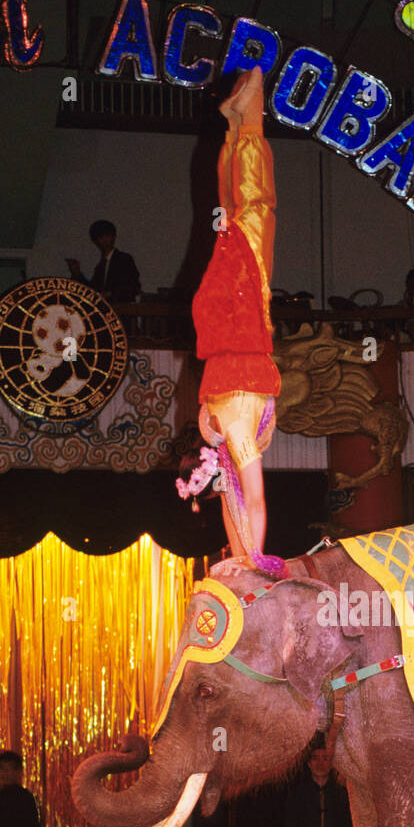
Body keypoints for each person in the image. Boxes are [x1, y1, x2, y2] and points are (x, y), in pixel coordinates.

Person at [176, 66, 286, 578]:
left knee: (255, 208)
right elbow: (234, 500)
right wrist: (237, 558)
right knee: (234, 210)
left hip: (241, 321)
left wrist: (254, 565)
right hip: (222, 323)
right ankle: (237, 125)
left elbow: (255, 499)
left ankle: (249, 116)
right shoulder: (210, 422)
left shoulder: (233, 431)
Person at [66, 220, 141, 302]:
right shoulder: (100, 267)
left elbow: (133, 286)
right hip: (106, 311)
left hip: (122, 310)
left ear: (114, 237)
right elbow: (92, 291)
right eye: (100, 237)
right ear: (95, 241)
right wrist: (77, 274)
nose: (104, 240)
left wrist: (111, 293)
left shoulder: (124, 259)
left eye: (107, 236)